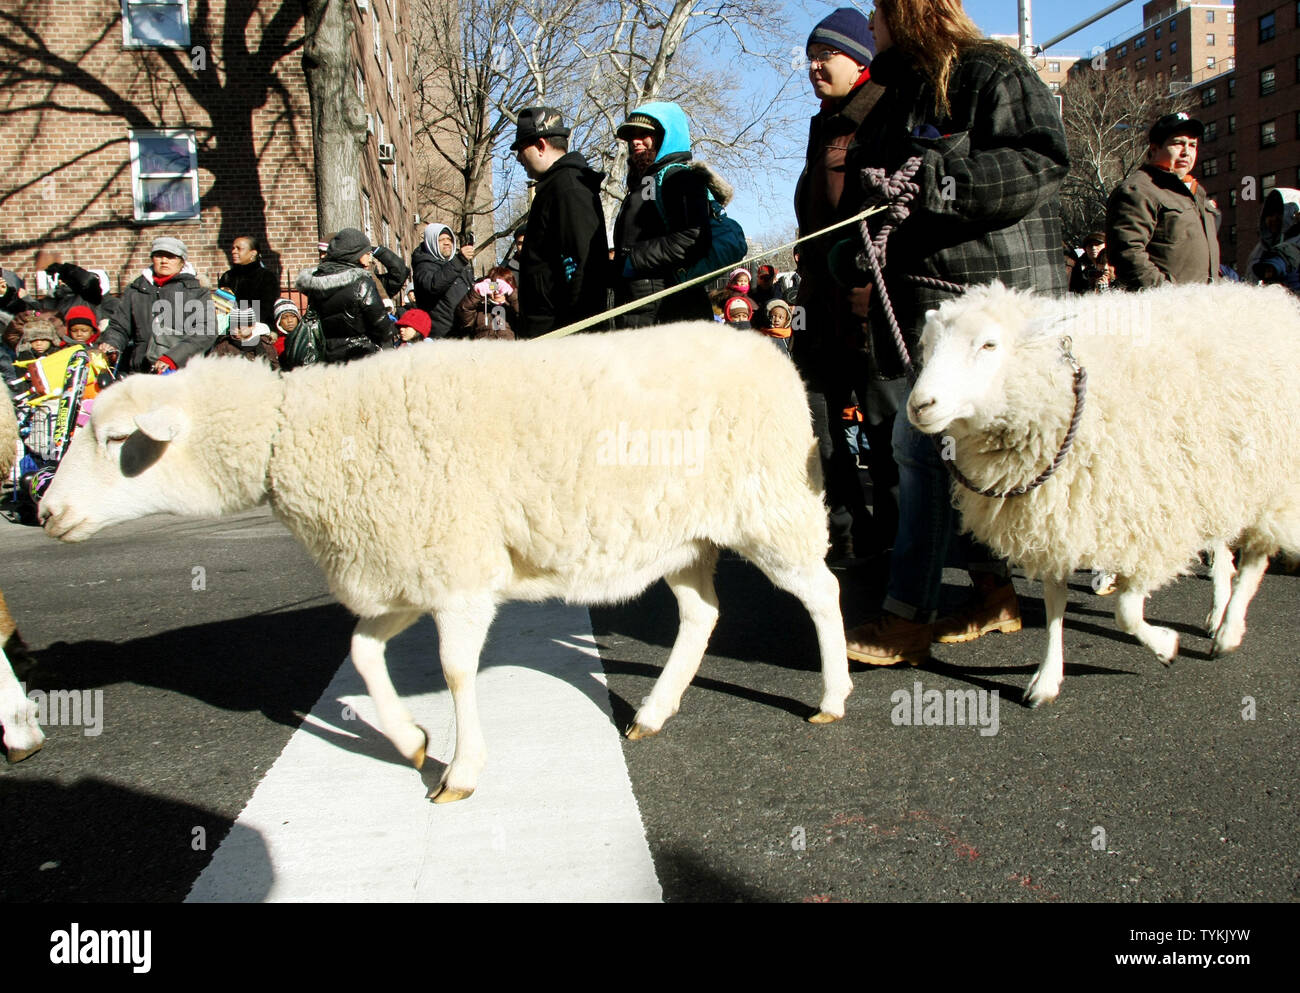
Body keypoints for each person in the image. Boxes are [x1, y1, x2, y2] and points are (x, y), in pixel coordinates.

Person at [837, 0, 1070, 663]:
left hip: (989, 312)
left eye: (879, 10)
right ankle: (996, 595)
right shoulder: (891, 99)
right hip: (925, 314)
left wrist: (939, 183)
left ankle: (906, 619)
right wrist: (859, 243)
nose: (871, 23)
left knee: (921, 448)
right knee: (948, 461)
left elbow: (1041, 159)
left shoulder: (990, 71)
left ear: (908, 11)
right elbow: (880, 199)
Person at [793, 6, 897, 561]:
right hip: (820, 307)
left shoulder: (881, 116)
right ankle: (844, 525)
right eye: (809, 57)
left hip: (871, 307)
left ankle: (897, 547)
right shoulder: (824, 126)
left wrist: (852, 261)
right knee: (821, 423)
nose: (814, 66)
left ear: (859, 59)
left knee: (885, 430)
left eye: (825, 55)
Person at [610, 101, 716, 327]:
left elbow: (693, 238)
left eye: (645, 134)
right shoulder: (643, 184)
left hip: (668, 310)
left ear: (665, 136)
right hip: (641, 304)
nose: (635, 141)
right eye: (631, 136)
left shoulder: (681, 178)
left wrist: (632, 259)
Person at [510, 107, 611, 337]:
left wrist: (580, 336)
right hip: (550, 332)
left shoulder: (569, 188)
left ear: (541, 145)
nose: (518, 158)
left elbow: (584, 266)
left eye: (521, 148)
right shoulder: (555, 186)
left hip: (564, 337)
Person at [1107, 112, 1220, 290]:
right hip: (1163, 308)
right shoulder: (1138, 190)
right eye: (1177, 144)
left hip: (1202, 307)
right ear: (1154, 149)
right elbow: (1127, 252)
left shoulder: (1197, 192)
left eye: (1192, 145)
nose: (1186, 152)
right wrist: (1166, 294)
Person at [98, 237, 212, 374]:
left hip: (182, 372)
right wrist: (111, 343)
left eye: (171, 257)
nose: (164, 261)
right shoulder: (135, 290)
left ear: (182, 262)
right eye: (159, 256)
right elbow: (119, 326)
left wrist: (172, 358)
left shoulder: (197, 291)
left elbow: (206, 331)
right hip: (140, 370)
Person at [295, 228, 395, 363]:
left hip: (327, 356)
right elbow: (382, 327)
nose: (370, 257)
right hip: (360, 355)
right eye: (367, 253)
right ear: (356, 254)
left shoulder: (316, 282)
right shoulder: (361, 283)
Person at [411, 222, 475, 339]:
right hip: (442, 336)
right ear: (431, 242)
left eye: (449, 239)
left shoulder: (455, 264)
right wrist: (459, 260)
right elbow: (433, 286)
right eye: (441, 240)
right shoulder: (423, 265)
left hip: (462, 331)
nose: (447, 242)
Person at [218, 235, 280, 329]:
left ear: (253, 253)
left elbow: (265, 309)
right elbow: (221, 307)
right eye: (233, 248)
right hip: (230, 330)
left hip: (257, 329)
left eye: (239, 249)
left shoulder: (266, 277)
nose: (233, 251)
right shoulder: (227, 277)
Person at [1244, 188, 1300, 292]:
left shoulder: (1296, 245)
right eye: (1269, 214)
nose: (1273, 219)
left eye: (1279, 213)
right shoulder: (1259, 250)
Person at [453, 267, 519, 340]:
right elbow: (463, 314)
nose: (498, 292)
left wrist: (512, 295)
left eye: (502, 287)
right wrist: (476, 293)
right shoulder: (479, 307)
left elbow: (526, 319)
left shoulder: (513, 307)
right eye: (495, 286)